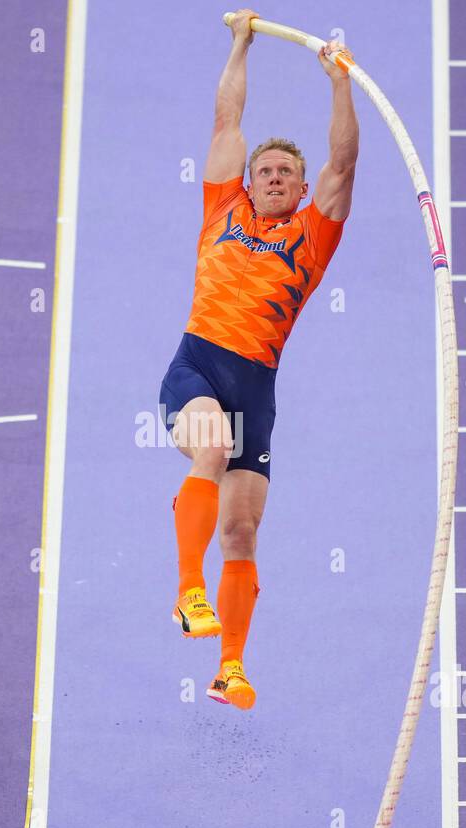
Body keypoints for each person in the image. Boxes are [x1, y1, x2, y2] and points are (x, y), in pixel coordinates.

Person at [159, 9, 359, 709]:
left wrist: (339, 84)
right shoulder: (223, 208)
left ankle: (231, 668)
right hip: (197, 371)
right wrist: (241, 42)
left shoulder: (314, 237)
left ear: (303, 191)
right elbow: (226, 120)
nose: (274, 177)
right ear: (248, 180)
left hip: (259, 392)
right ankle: (189, 590)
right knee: (208, 444)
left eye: (287, 173)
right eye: (266, 170)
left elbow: (344, 162)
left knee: (241, 533)